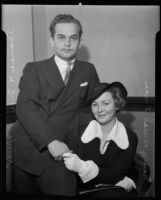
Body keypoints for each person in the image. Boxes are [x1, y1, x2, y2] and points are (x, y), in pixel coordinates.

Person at [10, 14, 100, 196]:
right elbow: (25, 107)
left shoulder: (88, 70)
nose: (67, 43)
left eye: (73, 38)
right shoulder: (34, 68)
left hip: (64, 151)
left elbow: (94, 107)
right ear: (52, 40)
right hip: (29, 148)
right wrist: (50, 140)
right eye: (61, 37)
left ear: (79, 41)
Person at [63, 82, 138, 197]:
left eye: (105, 103)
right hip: (82, 192)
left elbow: (116, 174)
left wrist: (81, 167)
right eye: (94, 104)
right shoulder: (78, 133)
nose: (99, 110)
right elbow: (69, 175)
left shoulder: (130, 138)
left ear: (117, 105)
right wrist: (113, 181)